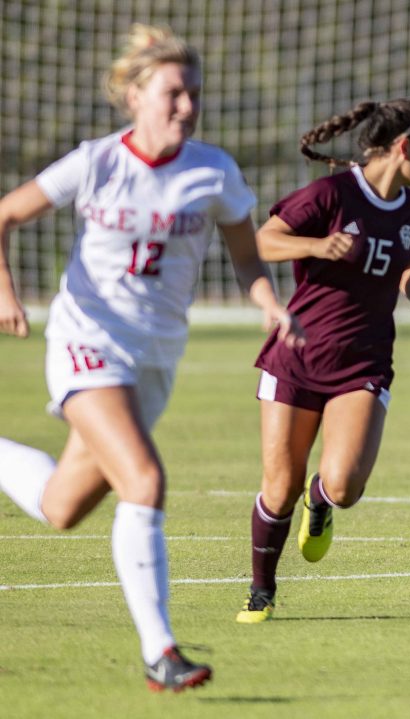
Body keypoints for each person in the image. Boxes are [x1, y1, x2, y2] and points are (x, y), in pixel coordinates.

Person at [0, 24, 304, 691]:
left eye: (193, 93)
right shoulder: (96, 161)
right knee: (144, 480)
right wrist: (6, 293)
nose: (186, 106)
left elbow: (247, 255)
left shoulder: (214, 170)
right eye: (173, 92)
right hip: (86, 341)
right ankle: (160, 651)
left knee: (61, 505)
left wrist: (270, 304)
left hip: (156, 358)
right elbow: (4, 214)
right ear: (135, 95)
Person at [235, 99, 410, 624]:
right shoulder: (330, 194)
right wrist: (318, 244)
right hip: (295, 358)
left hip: (363, 363)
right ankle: (261, 590)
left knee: (344, 487)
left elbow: (405, 268)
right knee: (278, 489)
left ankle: (323, 501)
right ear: (403, 147)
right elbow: (264, 241)